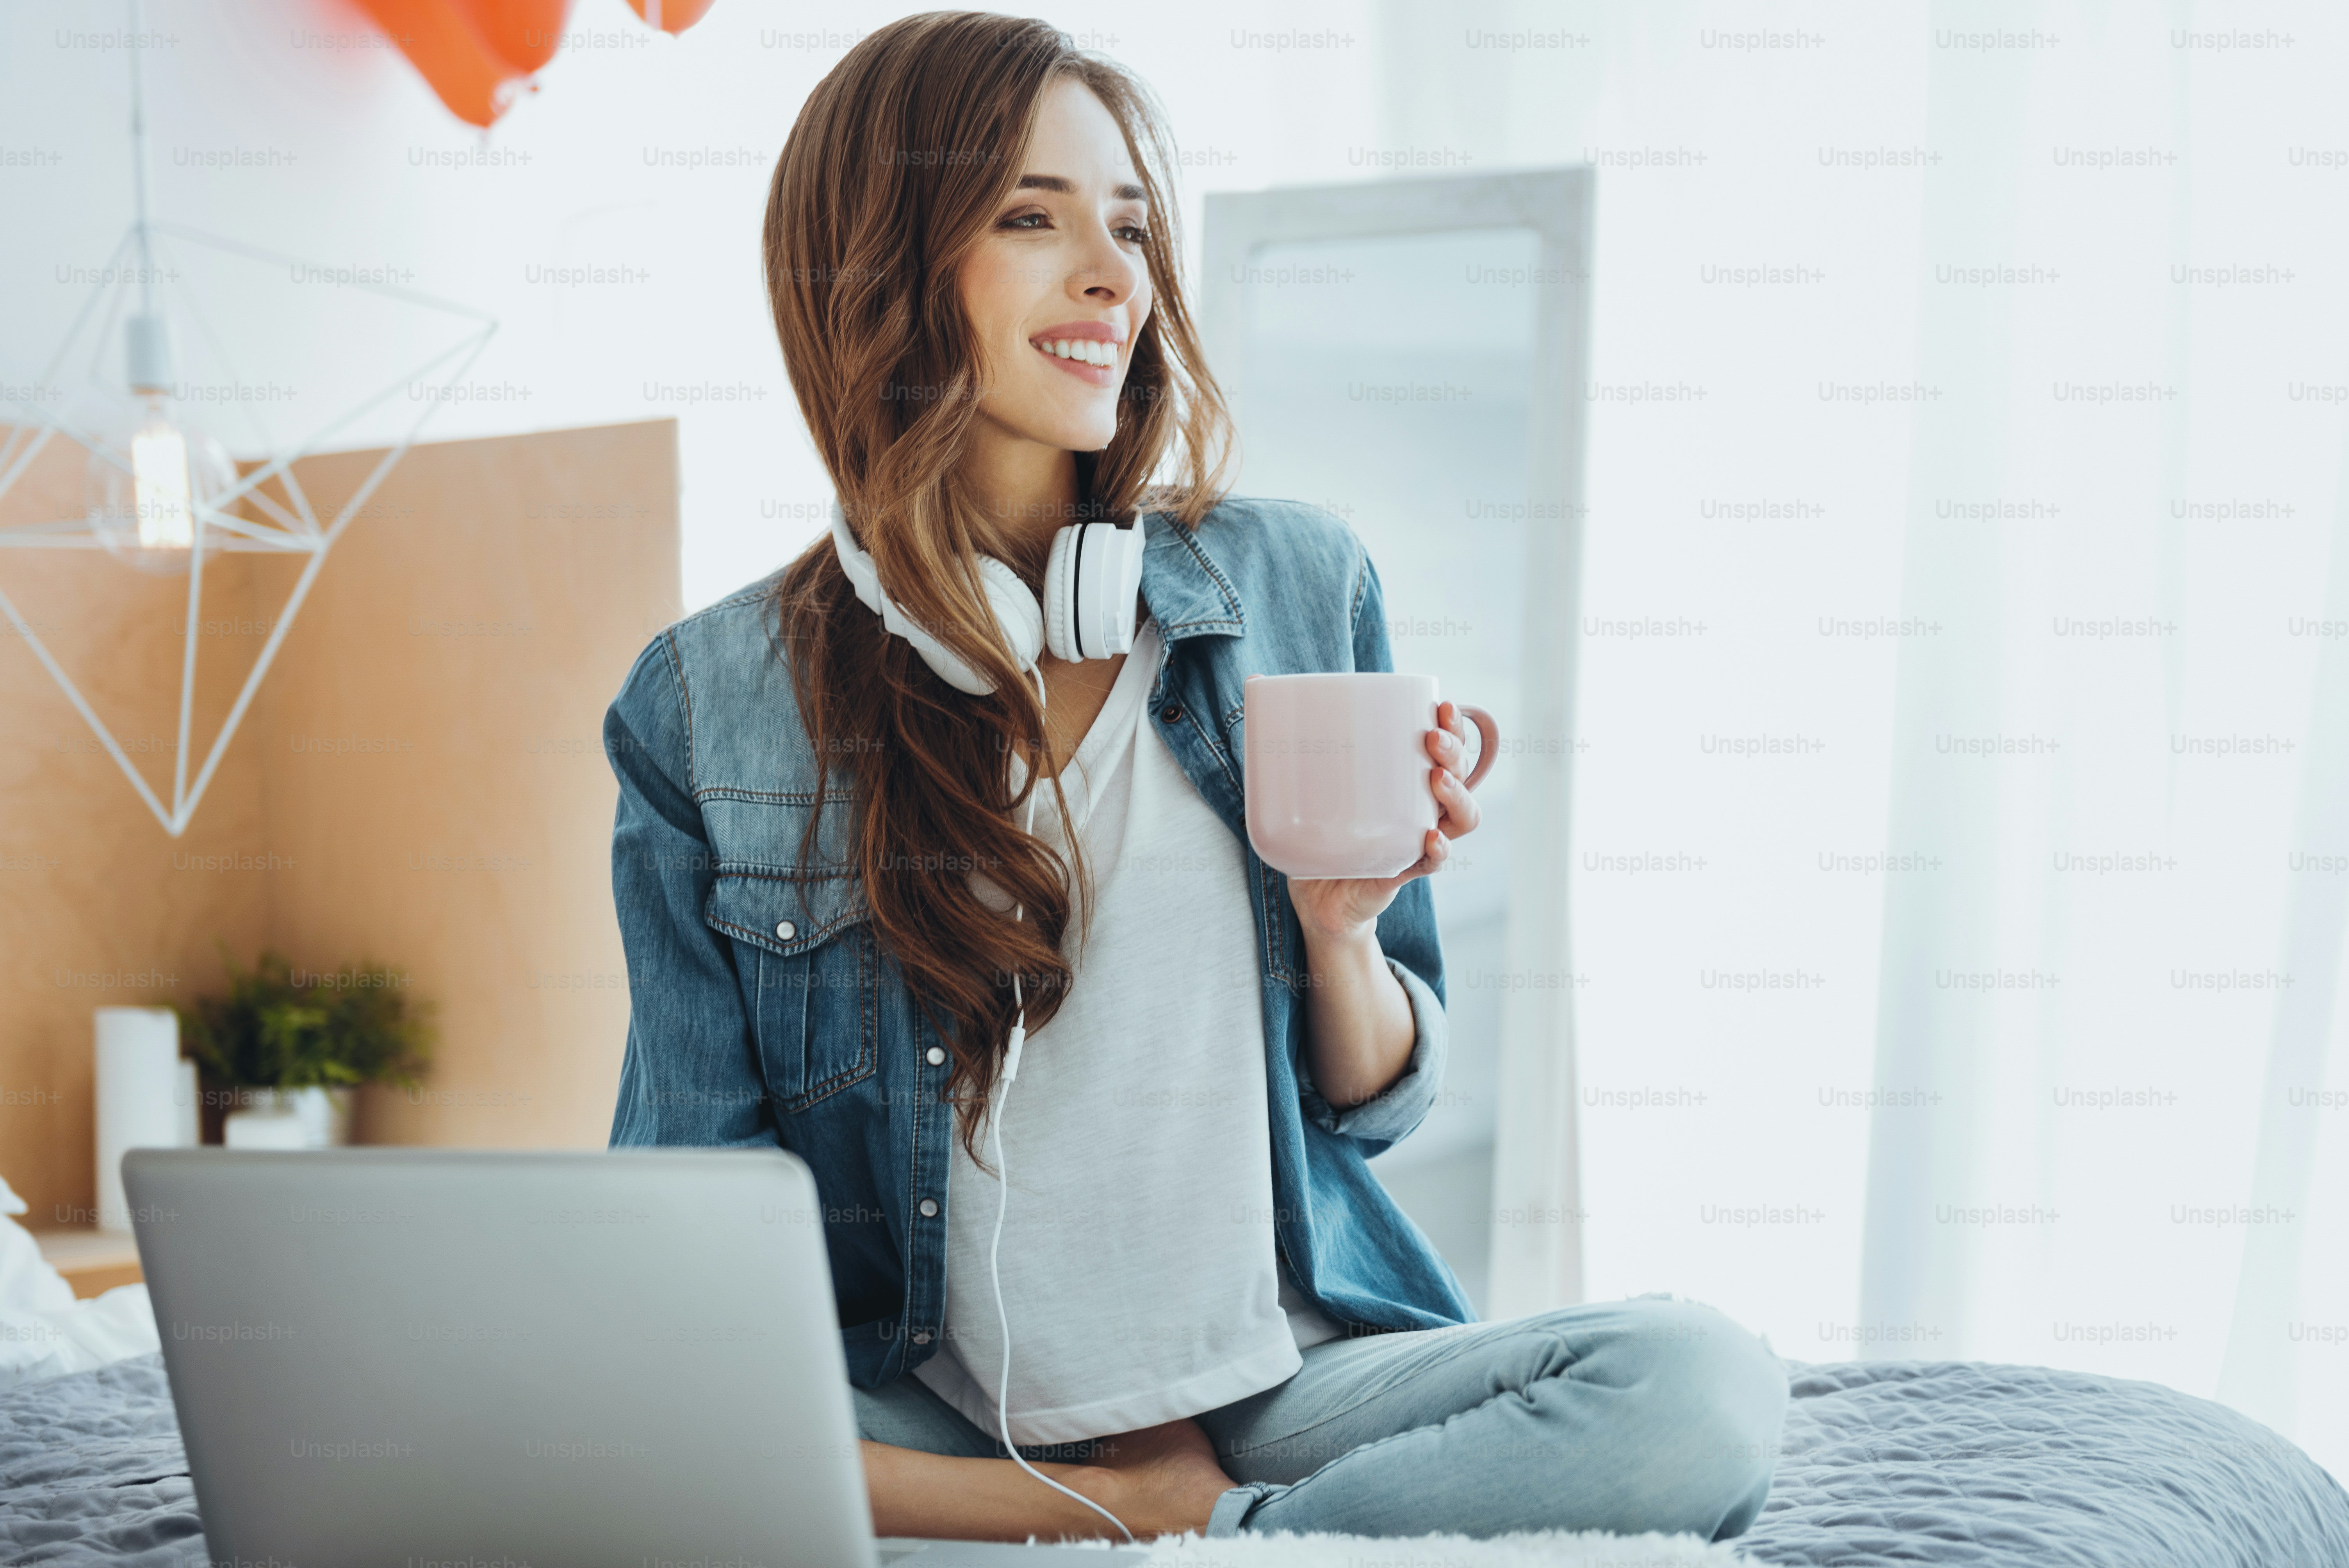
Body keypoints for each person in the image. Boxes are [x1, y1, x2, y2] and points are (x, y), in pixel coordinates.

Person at [606, 10, 1786, 1543]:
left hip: (1276, 1382)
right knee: (627, 1433)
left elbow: (1371, 1107)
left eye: (1130, 223)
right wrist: (1102, 1503)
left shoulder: (1293, 581)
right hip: (936, 1407)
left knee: (1693, 1387)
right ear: (883, 268)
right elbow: (688, 1242)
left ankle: (1219, 1539)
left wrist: (1344, 927)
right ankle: (1165, 1532)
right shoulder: (710, 702)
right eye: (1032, 218)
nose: (1113, 276)